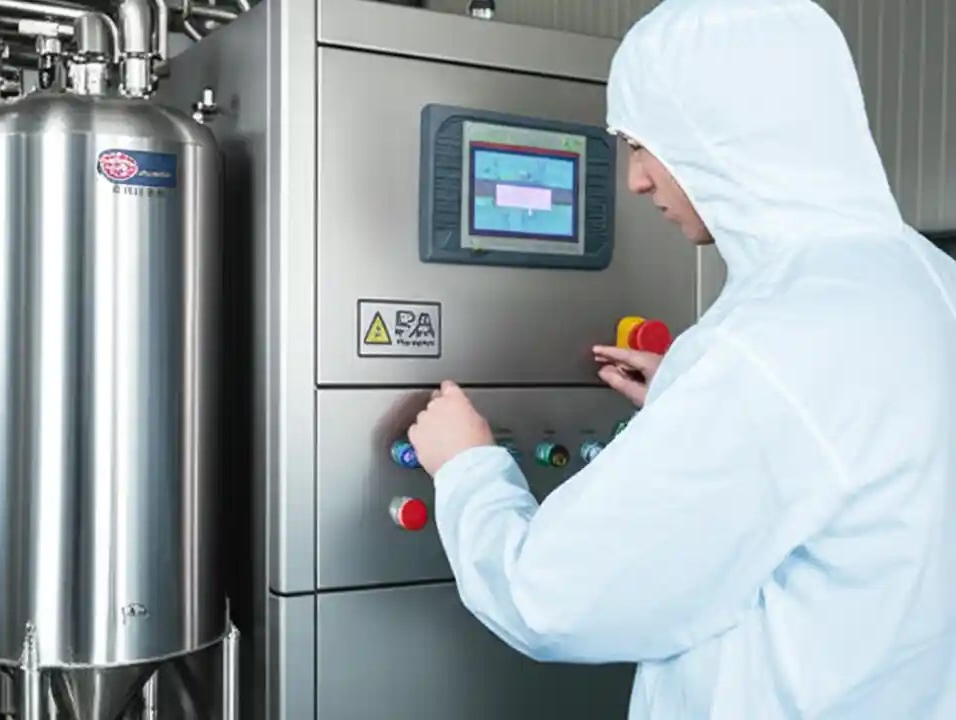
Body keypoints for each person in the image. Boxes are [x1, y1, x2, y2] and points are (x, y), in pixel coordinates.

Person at [405, 0, 956, 717]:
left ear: (718, 138)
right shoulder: (927, 281)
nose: (635, 181)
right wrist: (690, 399)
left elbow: (552, 599)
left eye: (641, 145)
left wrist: (468, 466)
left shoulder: (763, 349)